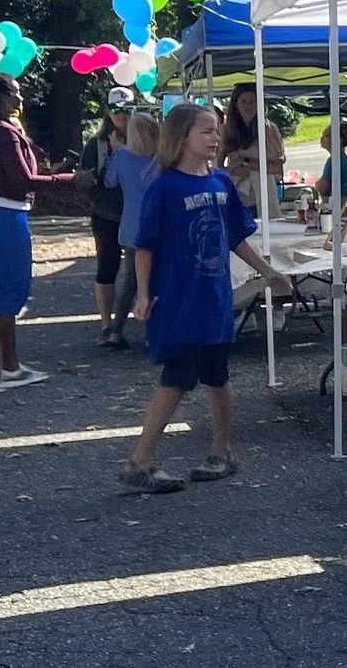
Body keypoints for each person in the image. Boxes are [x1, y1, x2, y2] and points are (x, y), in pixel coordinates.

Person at [121, 102, 292, 493]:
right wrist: (143, 293)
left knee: (217, 374)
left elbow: (236, 236)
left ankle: (223, 452)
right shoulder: (164, 188)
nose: (216, 138)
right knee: (177, 376)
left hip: (213, 298)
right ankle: (139, 462)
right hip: (178, 300)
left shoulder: (220, 183)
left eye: (217, 131)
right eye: (207, 131)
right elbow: (143, 246)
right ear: (181, 138)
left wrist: (269, 273)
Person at [0, 72, 77, 394]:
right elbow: (24, 181)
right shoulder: (2, 131)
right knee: (11, 295)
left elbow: (21, 172)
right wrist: (71, 179)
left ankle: (11, 368)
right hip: (2, 215)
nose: (21, 99)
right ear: (2, 96)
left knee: (3, 295)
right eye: (16, 93)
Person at [104, 109, 162, 345]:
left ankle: (116, 329)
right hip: (159, 222)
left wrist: (113, 153)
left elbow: (110, 182)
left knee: (130, 279)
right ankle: (153, 332)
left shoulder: (122, 156)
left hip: (131, 224)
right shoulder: (163, 157)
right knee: (157, 277)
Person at [75, 105, 130, 346]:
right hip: (106, 214)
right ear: (107, 112)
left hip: (137, 213)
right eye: (116, 109)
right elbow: (85, 180)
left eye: (126, 109)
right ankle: (107, 325)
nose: (121, 115)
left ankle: (128, 325)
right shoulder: (95, 144)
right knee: (107, 267)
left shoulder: (147, 139)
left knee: (138, 270)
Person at [220, 83, 285, 210]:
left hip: (264, 191)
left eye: (252, 101)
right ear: (235, 104)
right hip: (238, 192)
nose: (248, 106)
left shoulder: (269, 129)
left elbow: (277, 165)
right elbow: (218, 167)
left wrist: (245, 162)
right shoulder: (226, 130)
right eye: (244, 101)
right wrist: (232, 170)